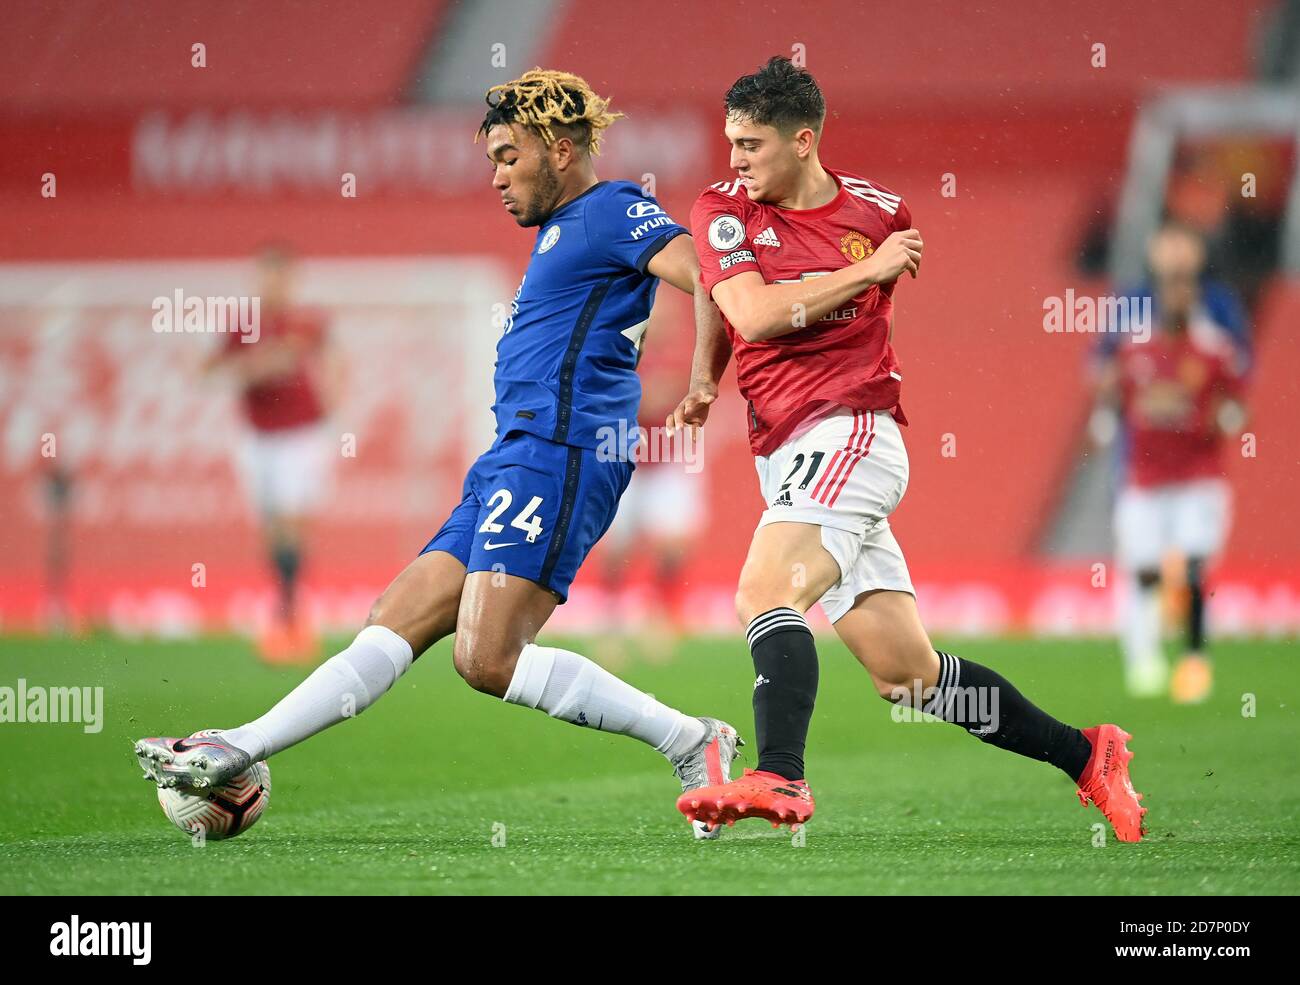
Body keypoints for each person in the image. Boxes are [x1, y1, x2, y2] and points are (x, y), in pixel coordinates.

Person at [136, 69, 740, 840]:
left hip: (561, 453)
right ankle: (236, 746)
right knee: (393, 619)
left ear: (559, 148)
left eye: (507, 155)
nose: (495, 176)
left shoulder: (612, 209)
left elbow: (709, 272)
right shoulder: (567, 230)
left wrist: (700, 375)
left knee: (488, 657)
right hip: (510, 458)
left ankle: (692, 740)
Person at [668, 57, 1146, 841]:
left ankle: (780, 773)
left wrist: (872, 266)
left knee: (765, 592)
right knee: (907, 676)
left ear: (803, 140)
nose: (736, 160)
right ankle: (1089, 754)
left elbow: (770, 310)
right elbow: (741, 309)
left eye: (751, 144)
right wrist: (702, 376)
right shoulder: (723, 207)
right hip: (786, 449)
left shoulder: (880, 216)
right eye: (731, 143)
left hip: (850, 429)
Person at [1091, 222, 1247, 702]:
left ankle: (1195, 659)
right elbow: (1109, 389)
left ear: (1195, 292)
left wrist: (1225, 419)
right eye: (1171, 288)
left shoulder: (1213, 349)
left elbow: (1237, 402)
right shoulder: (1136, 348)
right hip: (1144, 477)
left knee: (1196, 567)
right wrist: (1103, 423)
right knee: (1144, 571)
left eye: (1186, 288)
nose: (1179, 295)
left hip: (1198, 477)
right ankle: (1144, 659)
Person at [208, 244, 338, 665]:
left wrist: (334, 398)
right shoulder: (243, 325)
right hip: (257, 436)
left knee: (292, 519)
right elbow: (209, 370)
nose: (273, 284)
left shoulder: (306, 322)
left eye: (281, 276)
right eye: (267, 276)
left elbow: (334, 361)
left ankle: (290, 612)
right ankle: (285, 609)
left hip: (302, 433)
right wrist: (256, 367)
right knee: (270, 525)